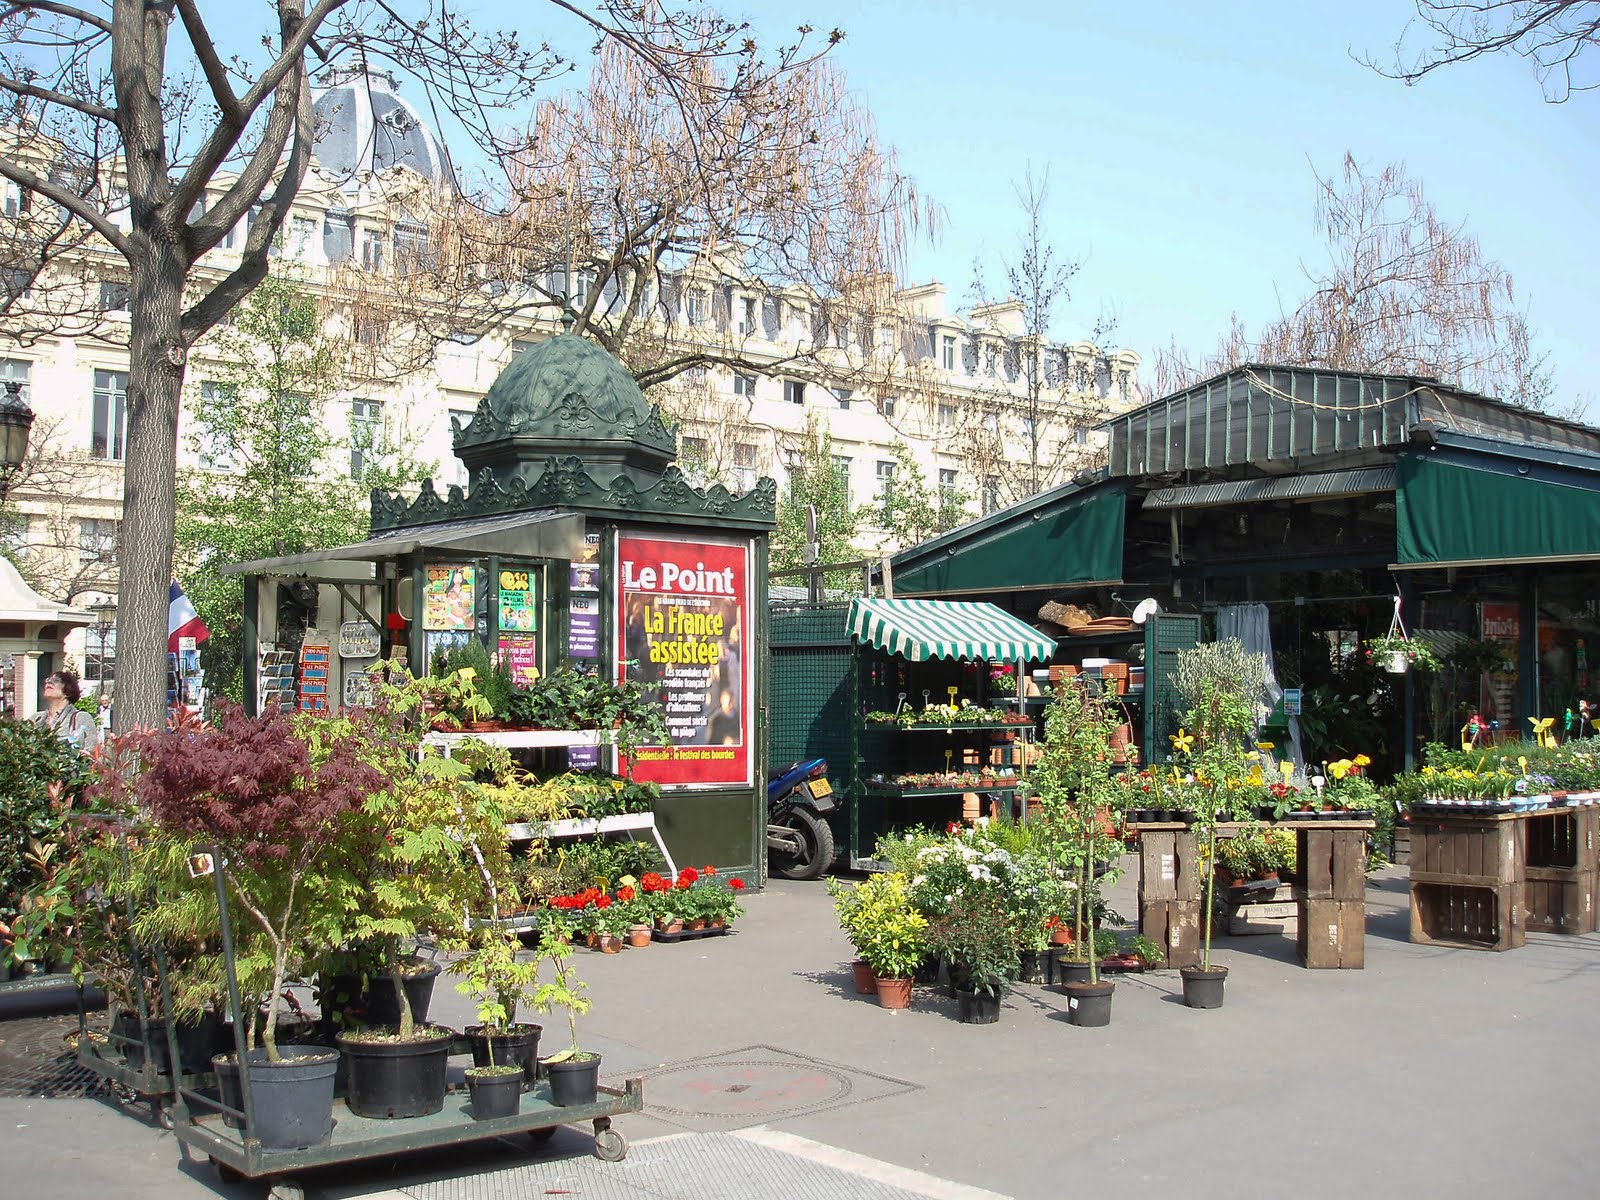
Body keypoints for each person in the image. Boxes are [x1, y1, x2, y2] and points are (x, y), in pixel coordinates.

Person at [33, 670, 99, 751]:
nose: (49, 682)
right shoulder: (35, 718)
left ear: (68, 691)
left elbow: (91, 752)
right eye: (48, 680)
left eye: (56, 680)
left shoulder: (81, 718)